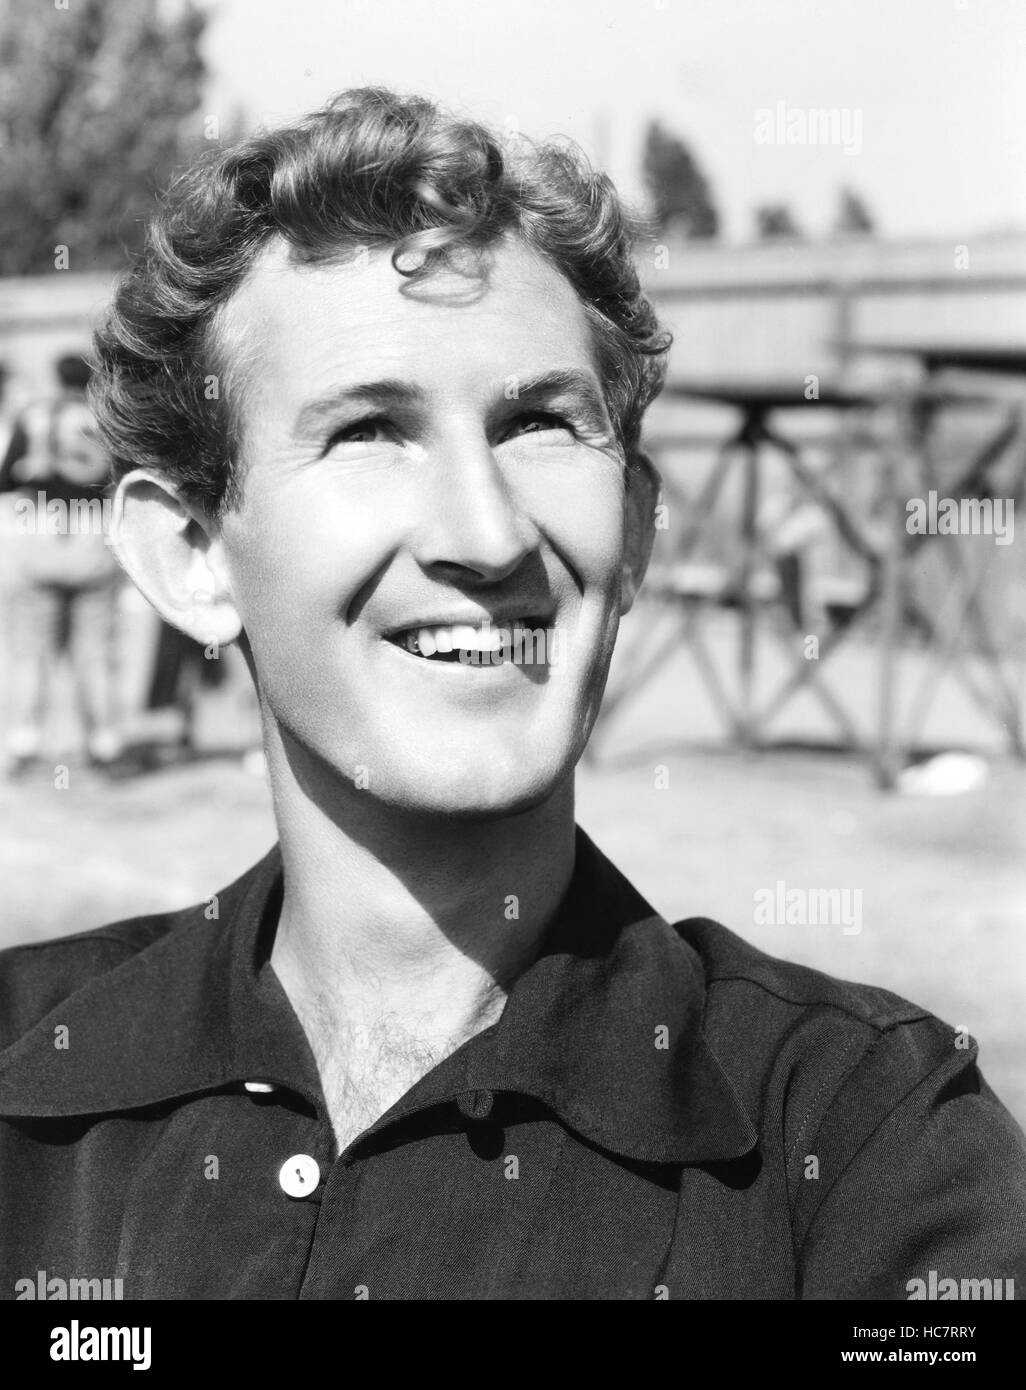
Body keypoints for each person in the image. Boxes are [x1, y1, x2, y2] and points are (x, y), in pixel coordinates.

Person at [0, 89, 1023, 1300]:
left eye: (541, 421)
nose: (488, 537)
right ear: (189, 556)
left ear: (637, 527)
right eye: (371, 429)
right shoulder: (29, 1082)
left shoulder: (863, 1142)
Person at [0, 354, 123, 774]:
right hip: (91, 541)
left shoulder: (33, 415)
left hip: (40, 537)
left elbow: (6, 479)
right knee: (96, 652)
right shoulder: (105, 418)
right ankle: (104, 743)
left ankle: (25, 743)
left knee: (31, 651)